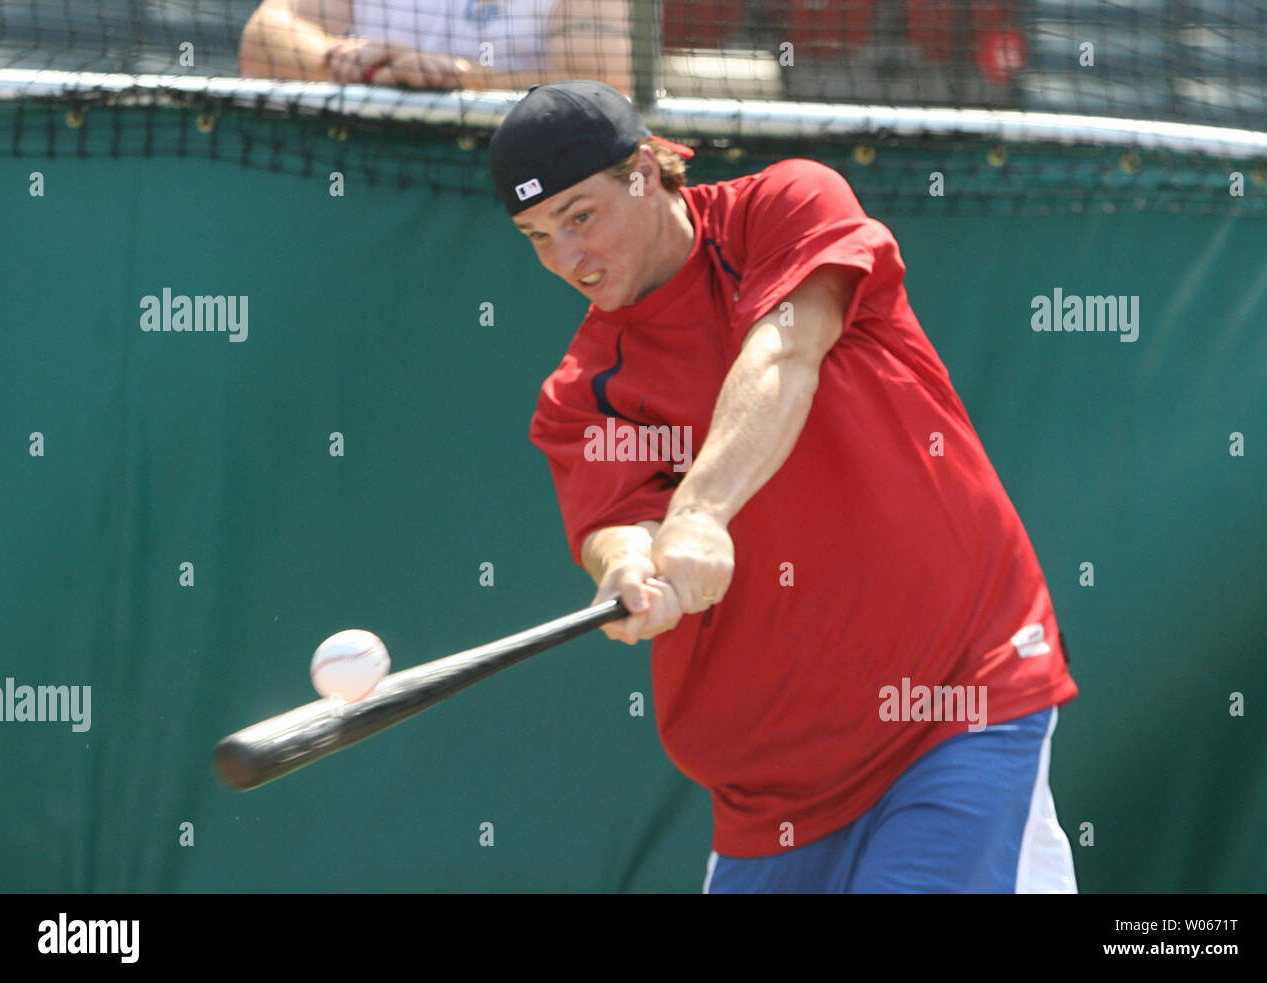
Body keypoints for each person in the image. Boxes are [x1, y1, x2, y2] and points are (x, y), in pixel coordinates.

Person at [488, 80, 1080, 893]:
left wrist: (699, 512)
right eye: (536, 235)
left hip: (953, 695)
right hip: (772, 790)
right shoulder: (582, 391)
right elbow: (616, 521)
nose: (566, 258)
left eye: (580, 215)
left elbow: (784, 353)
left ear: (649, 170)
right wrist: (630, 569)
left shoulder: (788, 204)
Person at [238, 0, 631, 93]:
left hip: (516, 185)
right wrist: (369, 70)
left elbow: (603, 84)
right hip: (348, 166)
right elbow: (263, 39)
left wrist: (452, 79)